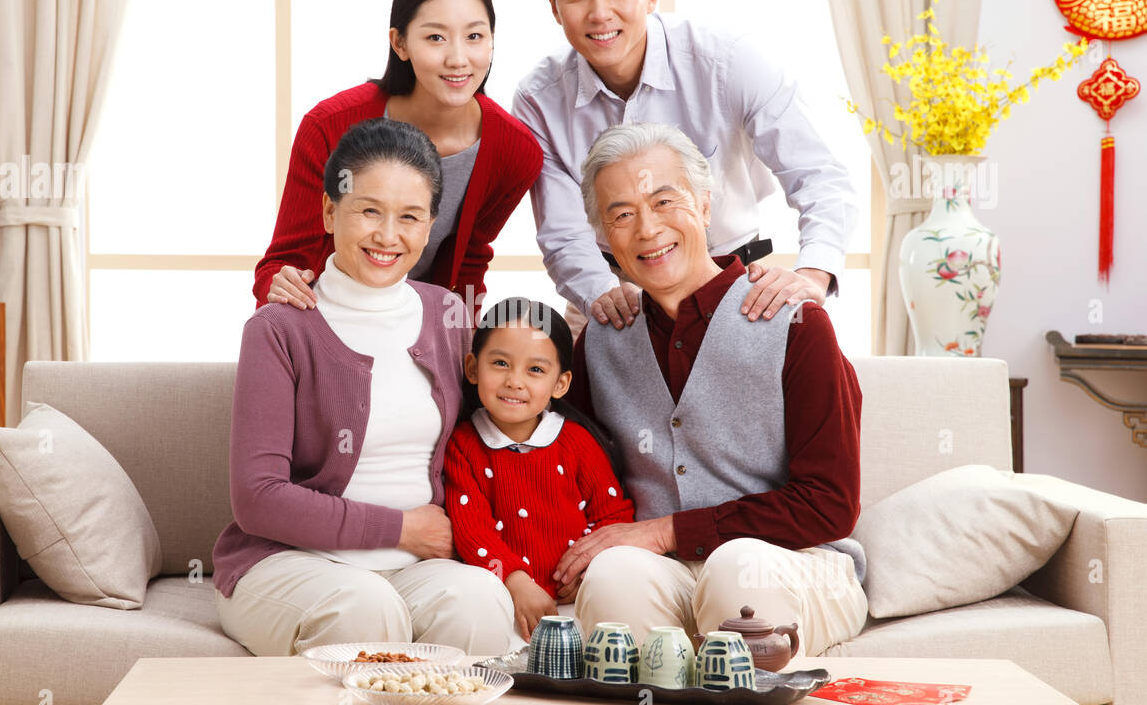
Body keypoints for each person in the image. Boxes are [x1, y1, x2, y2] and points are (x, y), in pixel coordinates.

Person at [559, 122, 868, 661]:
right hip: (669, 574)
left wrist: (667, 531)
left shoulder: (794, 322)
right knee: (612, 577)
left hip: (797, 565)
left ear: (704, 205)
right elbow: (571, 473)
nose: (648, 229)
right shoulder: (604, 338)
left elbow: (830, 505)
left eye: (664, 201)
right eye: (622, 214)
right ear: (604, 239)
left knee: (734, 571)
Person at [214, 118, 518, 656]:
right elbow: (258, 501)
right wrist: (400, 529)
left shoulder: (446, 314)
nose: (387, 235)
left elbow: (485, 437)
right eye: (369, 210)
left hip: (415, 567)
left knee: (479, 601)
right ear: (331, 211)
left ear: (428, 228)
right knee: (363, 609)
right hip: (292, 562)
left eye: (409, 217)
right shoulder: (279, 327)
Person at [513, 0, 859, 338]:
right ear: (554, 5)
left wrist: (813, 274)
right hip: (612, 295)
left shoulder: (727, 62)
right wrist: (606, 297)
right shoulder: (538, 99)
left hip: (733, 283)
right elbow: (563, 233)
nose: (600, 13)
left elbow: (820, 177)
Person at [254, 0, 542, 315]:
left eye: (475, 36)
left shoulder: (517, 152)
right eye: (435, 37)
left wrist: (461, 347)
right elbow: (283, 264)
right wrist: (278, 286)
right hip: (326, 317)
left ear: (492, 42)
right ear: (400, 43)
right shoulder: (328, 126)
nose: (458, 58)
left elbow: (470, 262)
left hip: (417, 326)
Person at [444, 296, 634, 641]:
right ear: (472, 367)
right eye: (500, 363)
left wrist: (587, 568)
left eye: (535, 370)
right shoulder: (463, 445)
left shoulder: (576, 442)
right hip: (502, 600)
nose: (515, 381)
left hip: (580, 600)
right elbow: (472, 529)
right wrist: (516, 583)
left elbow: (613, 515)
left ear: (560, 384)